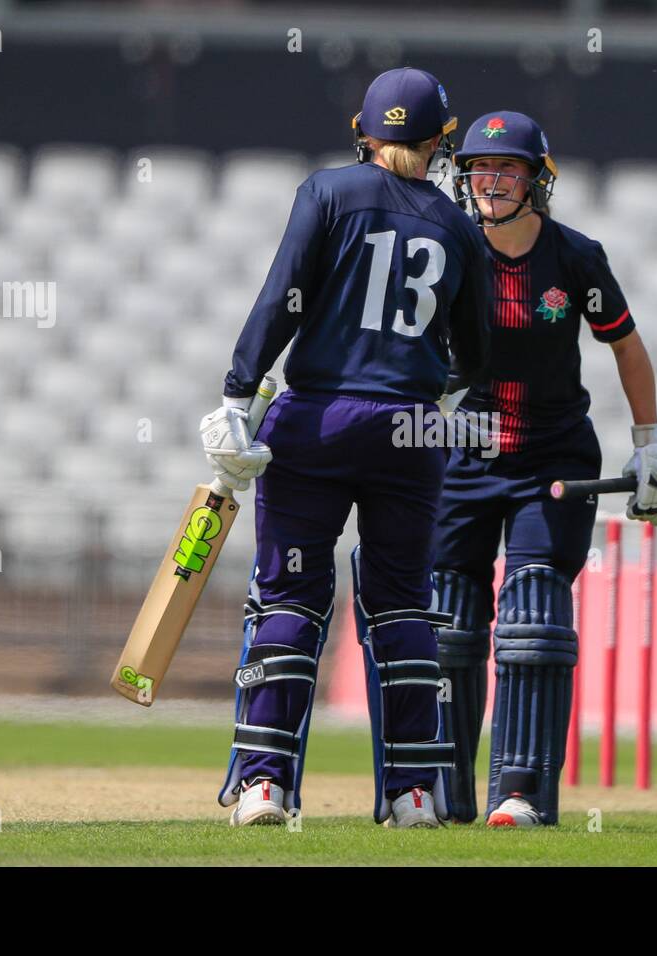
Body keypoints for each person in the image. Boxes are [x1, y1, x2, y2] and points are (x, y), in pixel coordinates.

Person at [202, 68, 490, 828]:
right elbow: (480, 356)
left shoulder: (326, 191)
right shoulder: (459, 227)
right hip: (412, 431)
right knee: (402, 606)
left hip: (318, 419)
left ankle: (265, 785)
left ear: (364, 131)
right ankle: (415, 793)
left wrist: (239, 394)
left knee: (292, 596)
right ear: (438, 140)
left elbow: (282, 296)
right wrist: (426, 386)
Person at [432, 111, 657, 827]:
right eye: (481, 169)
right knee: (447, 619)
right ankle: (440, 792)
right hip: (466, 454)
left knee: (534, 612)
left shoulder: (575, 257)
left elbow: (627, 349)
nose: (491, 182)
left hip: (554, 458)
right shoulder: (445, 253)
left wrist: (650, 444)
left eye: (508, 170)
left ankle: (519, 790)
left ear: (538, 181)